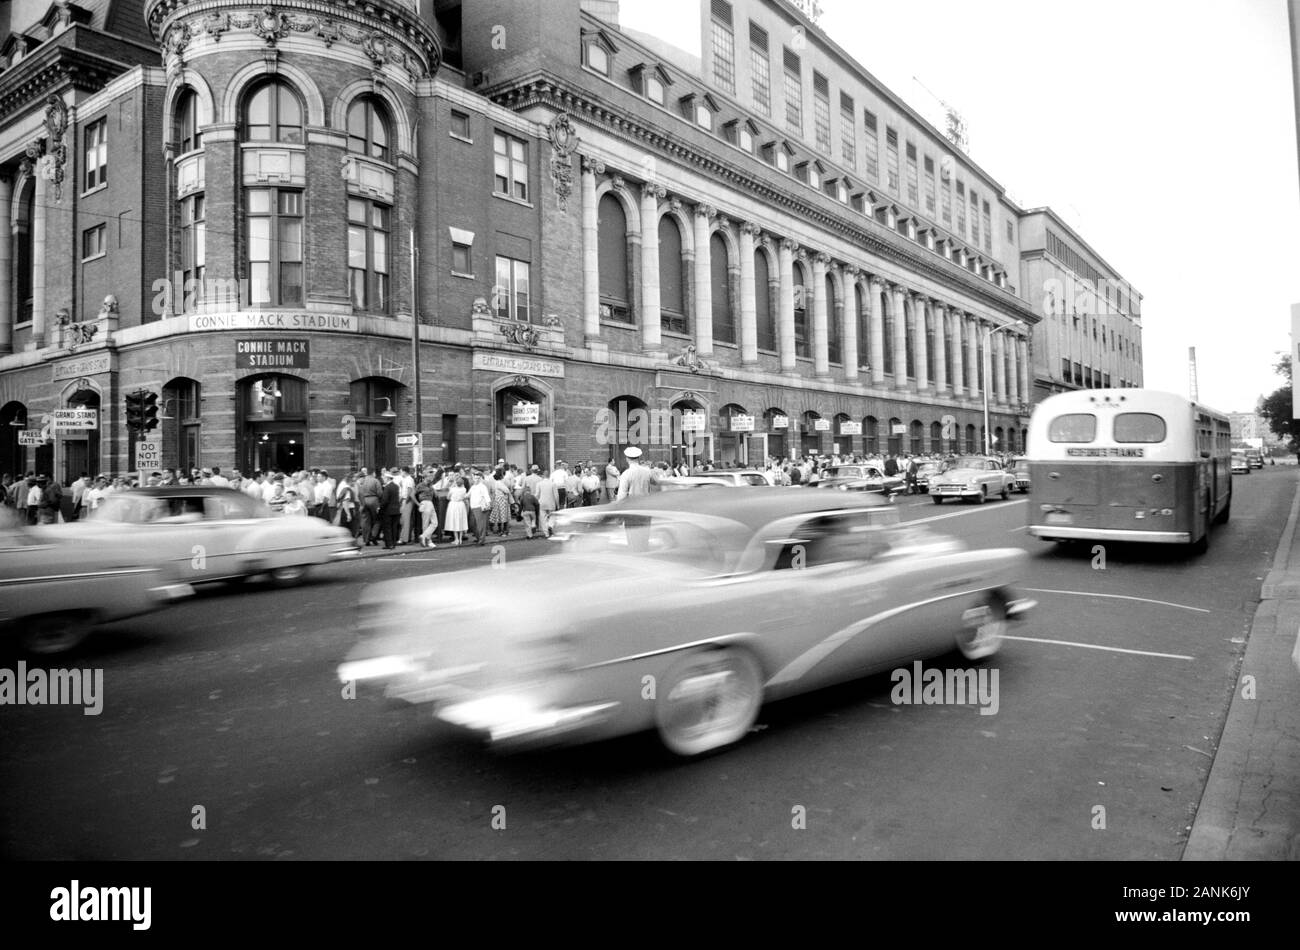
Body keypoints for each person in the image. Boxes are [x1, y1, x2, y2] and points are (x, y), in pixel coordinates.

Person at [356, 467, 382, 546]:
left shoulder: (361, 481)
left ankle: (366, 539)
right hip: (374, 500)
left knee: (365, 521)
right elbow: (380, 493)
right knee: (377, 520)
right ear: (373, 473)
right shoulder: (375, 480)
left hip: (363, 500)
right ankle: (374, 536)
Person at [379, 472, 401, 549]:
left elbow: (385, 500)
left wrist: (380, 508)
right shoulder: (396, 486)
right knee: (394, 528)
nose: (383, 479)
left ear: (388, 478)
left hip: (388, 511)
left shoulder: (387, 487)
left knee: (387, 528)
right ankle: (393, 543)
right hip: (396, 510)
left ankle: (389, 544)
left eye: (384, 478)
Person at [445, 475, 469, 545]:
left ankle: (456, 539)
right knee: (461, 521)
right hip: (461, 505)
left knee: (454, 521)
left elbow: (447, 497)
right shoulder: (464, 489)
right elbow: (464, 497)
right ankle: (460, 539)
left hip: (453, 505)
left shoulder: (452, 489)